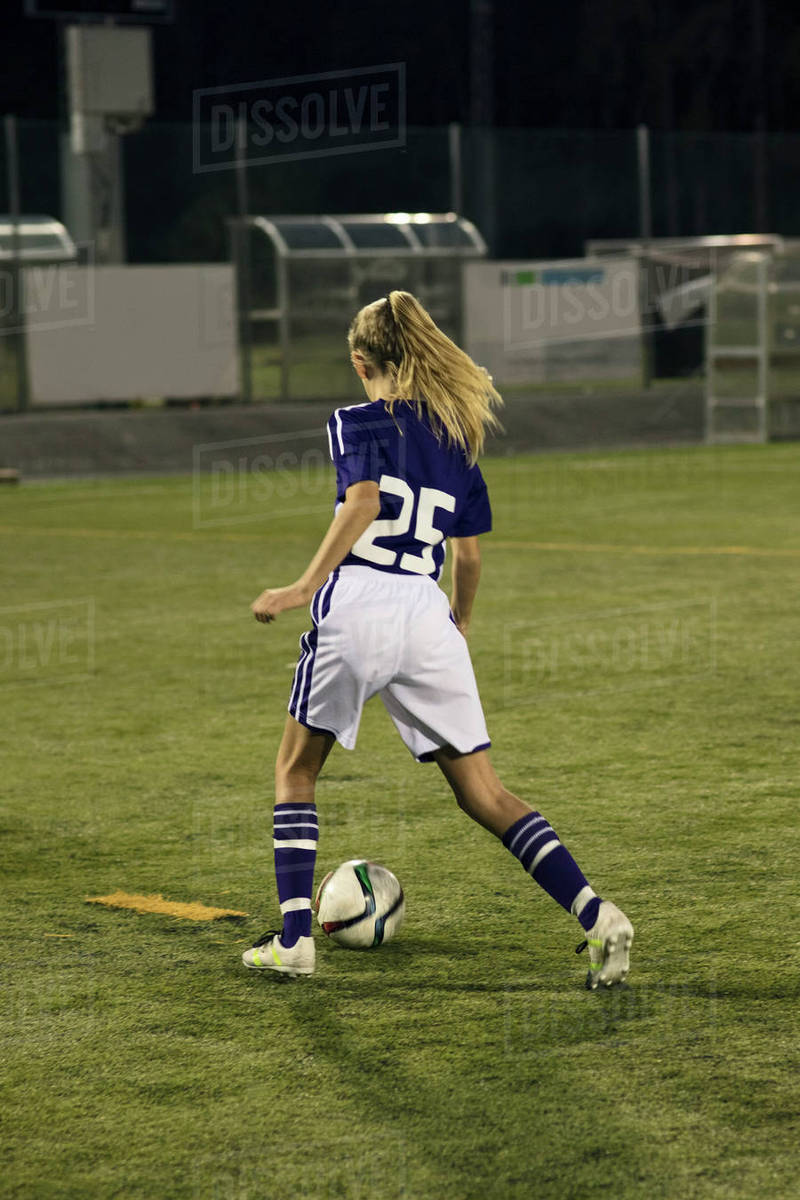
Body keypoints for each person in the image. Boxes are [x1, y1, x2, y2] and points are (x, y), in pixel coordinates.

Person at [242, 290, 633, 988]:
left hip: (359, 598)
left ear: (363, 363)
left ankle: (295, 940)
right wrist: (460, 619)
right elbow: (471, 557)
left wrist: (300, 589)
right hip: (427, 613)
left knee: (296, 771)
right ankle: (597, 914)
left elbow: (362, 502)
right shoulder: (457, 438)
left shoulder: (354, 420)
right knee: (487, 794)